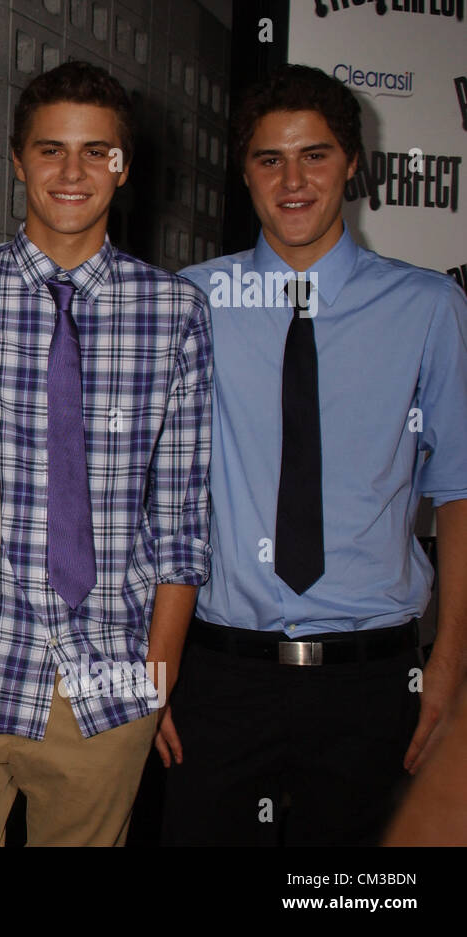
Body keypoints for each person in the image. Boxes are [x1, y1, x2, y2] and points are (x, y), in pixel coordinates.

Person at [160, 64, 467, 846]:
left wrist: (447, 672)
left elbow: (461, 494)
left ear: (354, 164)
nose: (293, 180)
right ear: (246, 172)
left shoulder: (431, 309)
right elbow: (147, 496)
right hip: (219, 679)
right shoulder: (190, 303)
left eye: (316, 155)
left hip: (375, 683)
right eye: (270, 159)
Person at [0, 61, 214, 846]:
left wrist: (157, 680)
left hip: (106, 690)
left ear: (124, 165)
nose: (73, 172)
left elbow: (182, 519)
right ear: (17, 160)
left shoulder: (176, 312)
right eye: (51, 150)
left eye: (96, 152)